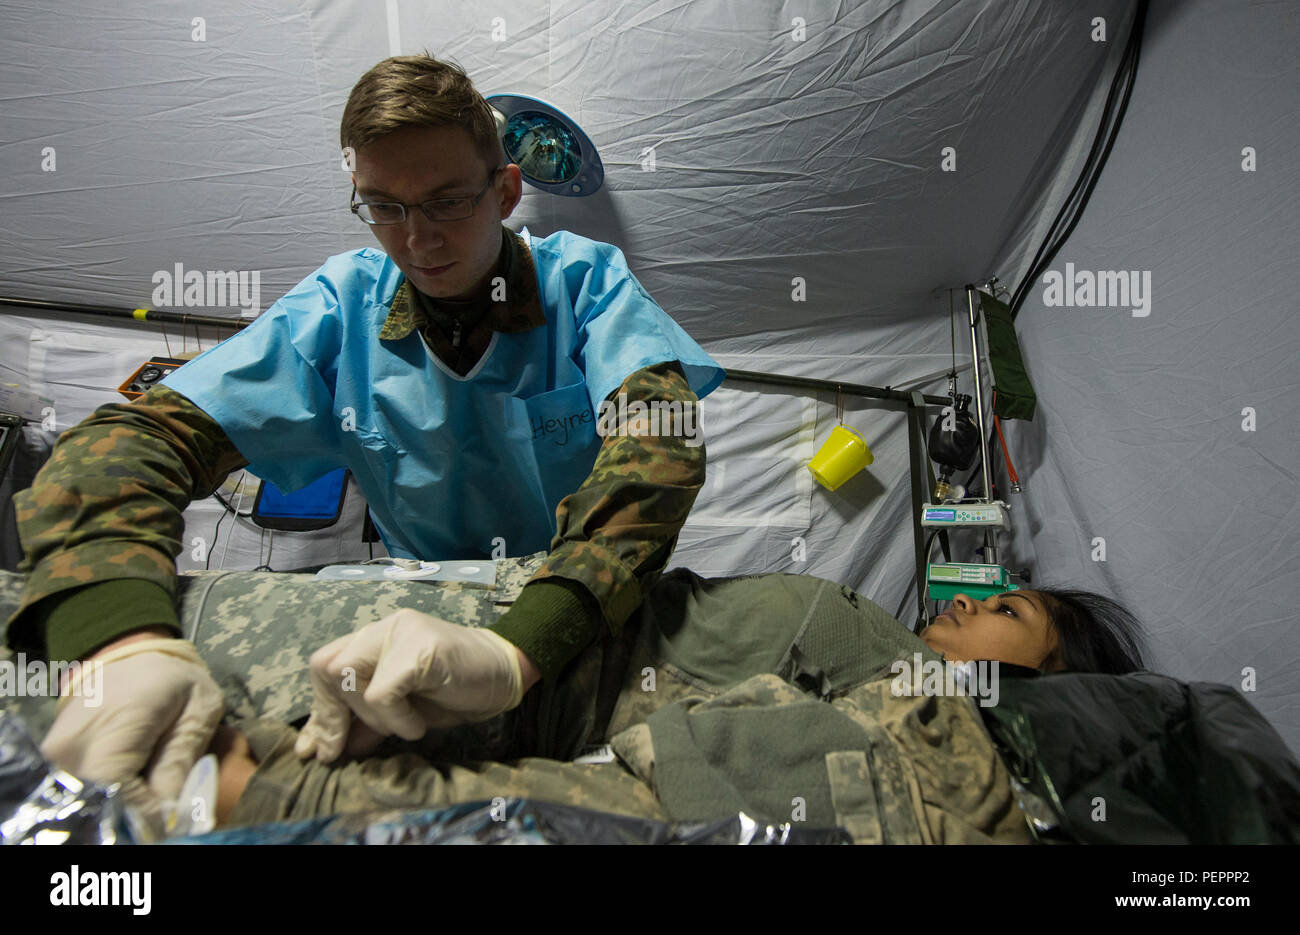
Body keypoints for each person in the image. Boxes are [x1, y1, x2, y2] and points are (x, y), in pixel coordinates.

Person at [6, 54, 724, 831]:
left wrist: (520, 649)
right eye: (383, 206)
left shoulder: (585, 284)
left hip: (578, 610)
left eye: (448, 201)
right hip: (416, 619)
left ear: (506, 190)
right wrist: (120, 640)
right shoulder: (338, 305)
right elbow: (132, 442)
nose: (417, 239)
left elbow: (658, 446)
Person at [195, 576, 1148, 841]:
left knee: (191, 726)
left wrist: (285, 802)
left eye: (1010, 611)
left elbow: (670, 804)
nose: (973, 601)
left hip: (495, 714)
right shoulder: (899, 689)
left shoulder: (924, 745)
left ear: (1051, 680)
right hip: (504, 643)